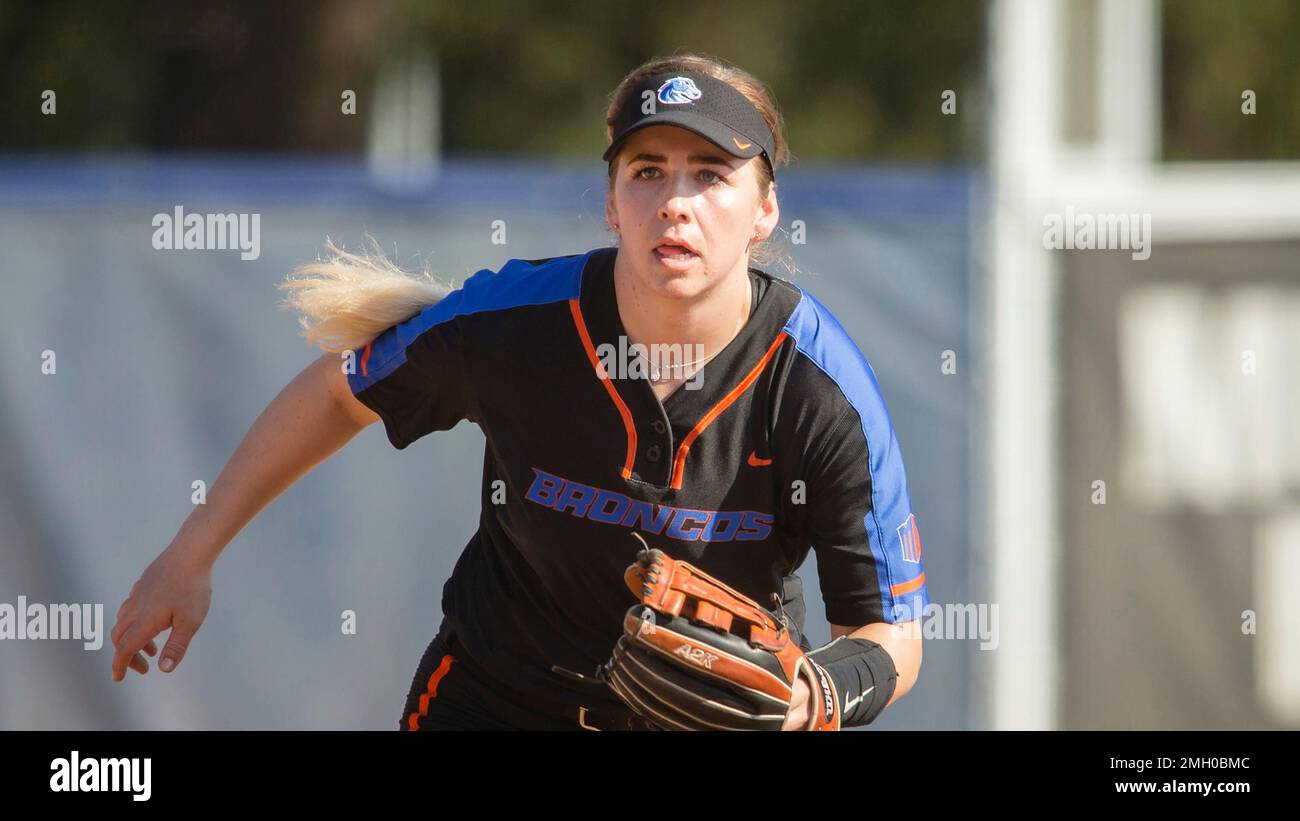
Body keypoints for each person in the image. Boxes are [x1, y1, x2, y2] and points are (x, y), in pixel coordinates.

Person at [109, 53, 927, 731]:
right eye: (648, 171)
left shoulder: (819, 386)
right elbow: (337, 392)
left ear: (764, 209)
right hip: (497, 701)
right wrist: (193, 550)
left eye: (711, 174)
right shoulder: (519, 325)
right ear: (612, 202)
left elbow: (890, 633)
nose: (675, 202)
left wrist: (811, 697)